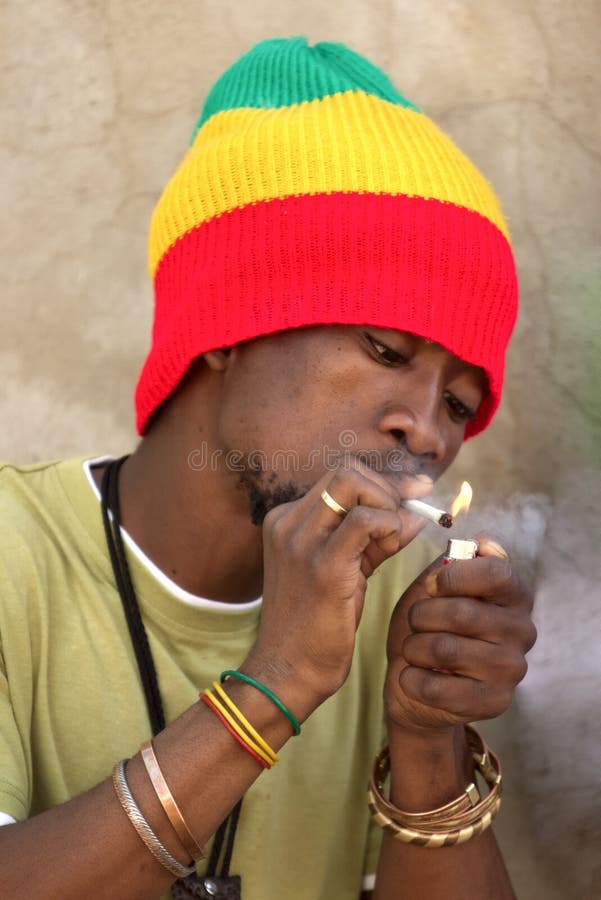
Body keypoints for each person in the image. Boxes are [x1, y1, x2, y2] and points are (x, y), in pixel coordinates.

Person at [0, 36, 536, 900]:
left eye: (461, 404)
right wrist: (276, 683)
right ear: (226, 324)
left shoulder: (386, 624)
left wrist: (425, 736)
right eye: (385, 347)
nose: (427, 430)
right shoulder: (14, 552)